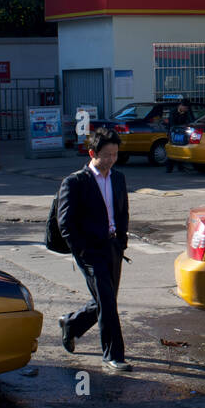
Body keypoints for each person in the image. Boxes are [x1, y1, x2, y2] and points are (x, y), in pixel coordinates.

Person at [57, 127, 131, 371]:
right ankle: (114, 355)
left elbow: (122, 213)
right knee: (108, 302)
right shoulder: (75, 182)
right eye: (106, 155)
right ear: (92, 153)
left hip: (113, 247)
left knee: (106, 299)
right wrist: (81, 251)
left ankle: (72, 324)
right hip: (90, 251)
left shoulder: (118, 178)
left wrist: (121, 242)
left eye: (115, 154)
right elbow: (65, 223)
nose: (111, 160)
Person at [163, 99, 195, 173]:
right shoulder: (173, 111)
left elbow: (191, 120)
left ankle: (180, 167)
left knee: (181, 149)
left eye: (187, 108)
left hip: (182, 133)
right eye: (185, 108)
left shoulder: (187, 112)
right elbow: (172, 123)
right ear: (181, 105)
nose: (186, 109)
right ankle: (169, 168)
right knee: (173, 149)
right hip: (173, 132)